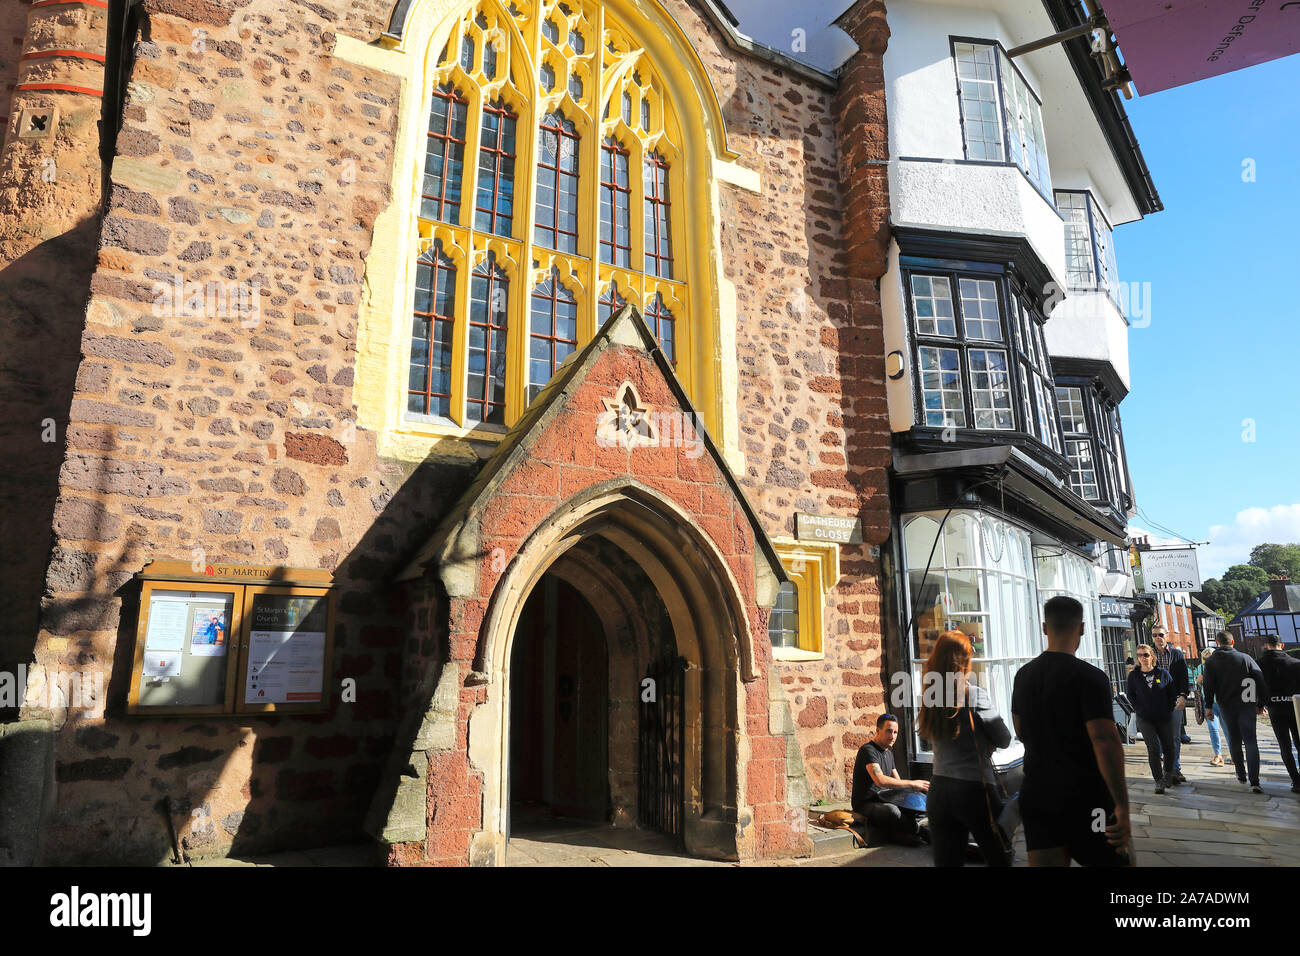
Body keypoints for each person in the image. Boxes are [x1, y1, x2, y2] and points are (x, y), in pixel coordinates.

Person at [1012, 596, 1133, 866]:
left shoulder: (1023, 676)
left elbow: (1020, 730)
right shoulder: (1090, 677)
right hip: (1088, 799)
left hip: (1039, 796)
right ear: (1082, 628)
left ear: (1045, 627)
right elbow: (1104, 740)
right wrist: (1121, 804)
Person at [917, 630, 1013, 866]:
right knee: (999, 857)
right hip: (974, 790)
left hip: (939, 790)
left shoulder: (931, 697)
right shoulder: (975, 696)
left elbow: (933, 736)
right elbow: (1004, 739)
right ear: (964, 660)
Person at [1202, 631, 1269, 793]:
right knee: (1251, 741)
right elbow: (1260, 679)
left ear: (1217, 643)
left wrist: (1209, 706)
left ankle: (1240, 774)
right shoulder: (1245, 658)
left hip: (1226, 705)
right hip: (1246, 704)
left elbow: (1208, 686)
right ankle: (1255, 781)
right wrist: (1261, 703)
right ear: (1233, 643)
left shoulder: (1211, 662)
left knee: (1234, 740)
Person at [851, 714, 930, 846]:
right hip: (866, 804)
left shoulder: (888, 752)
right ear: (877, 730)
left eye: (895, 732)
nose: (892, 736)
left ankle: (912, 833)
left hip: (884, 798)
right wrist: (912, 782)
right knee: (892, 811)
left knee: (914, 805)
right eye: (888, 731)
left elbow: (898, 782)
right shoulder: (867, 750)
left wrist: (916, 792)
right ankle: (913, 833)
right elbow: (880, 780)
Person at [1126, 644, 1179, 793]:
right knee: (1153, 747)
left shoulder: (1163, 674)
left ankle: (1167, 773)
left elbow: (1171, 693)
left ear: (1152, 656)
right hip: (1145, 718)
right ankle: (1158, 781)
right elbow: (1131, 694)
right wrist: (1139, 709)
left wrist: (1168, 709)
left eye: (1146, 655)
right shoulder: (1134, 676)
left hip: (1163, 716)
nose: (1143, 658)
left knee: (1169, 746)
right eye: (1140, 655)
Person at [1258, 635, 1300, 793]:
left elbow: (1258, 686)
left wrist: (1260, 704)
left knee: (1285, 746)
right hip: (1295, 706)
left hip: (1274, 707)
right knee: (1299, 742)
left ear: (1267, 646)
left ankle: (1296, 781)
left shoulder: (1260, 664)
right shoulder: (1296, 663)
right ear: (1282, 644)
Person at [1151, 626, 1190, 778]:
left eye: (1161, 634)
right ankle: (1166, 769)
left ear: (1166, 636)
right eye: (1155, 635)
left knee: (1174, 736)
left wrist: (1183, 696)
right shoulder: (1149, 654)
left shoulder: (1177, 654)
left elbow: (1184, 678)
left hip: (1174, 700)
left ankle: (1175, 768)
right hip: (1156, 702)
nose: (1158, 638)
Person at [1193, 647, 1224, 767]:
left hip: (1222, 702)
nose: (1208, 660)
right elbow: (1196, 683)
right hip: (1208, 703)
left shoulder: (1222, 667)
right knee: (1213, 729)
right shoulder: (1200, 668)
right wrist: (1198, 680)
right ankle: (1218, 755)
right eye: (1205, 658)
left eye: (1210, 657)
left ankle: (1234, 755)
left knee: (1228, 730)